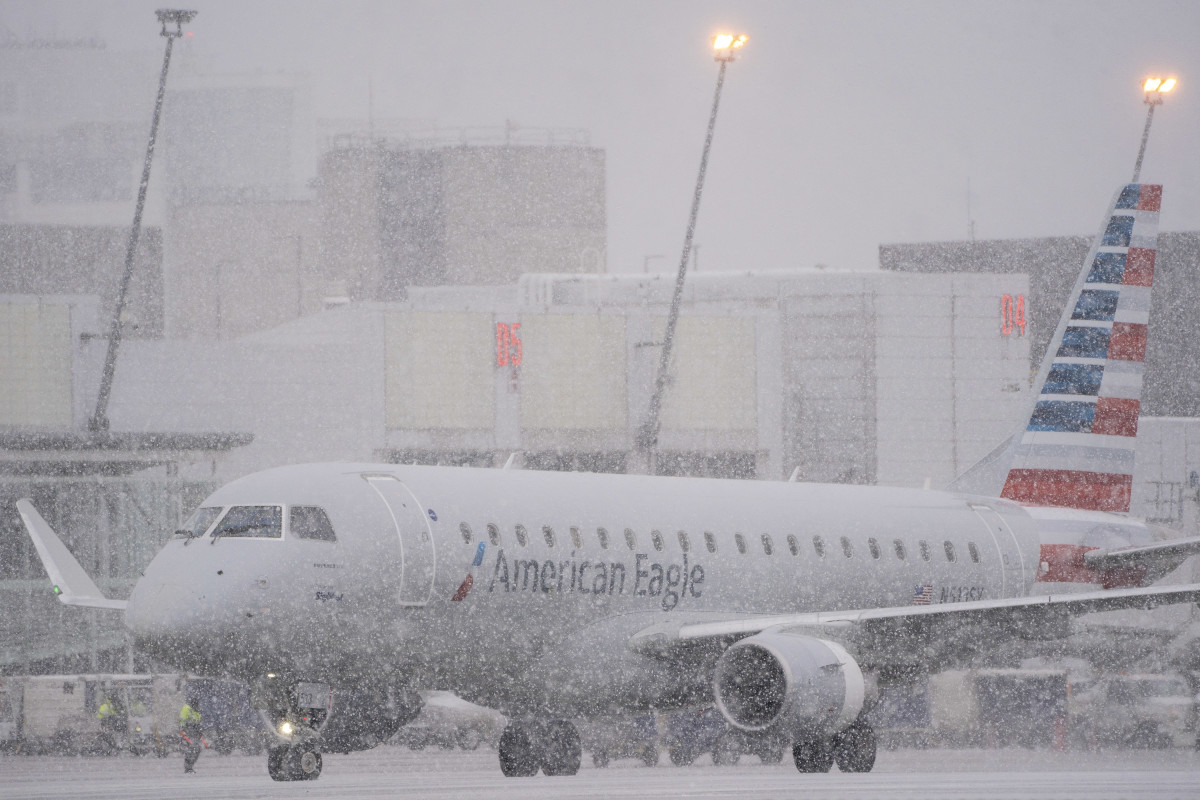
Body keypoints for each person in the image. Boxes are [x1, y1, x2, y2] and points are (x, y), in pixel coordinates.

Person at [179, 698, 203, 773]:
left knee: (197, 749)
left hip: (194, 734)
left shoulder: (196, 712)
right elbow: (182, 720)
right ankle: (188, 767)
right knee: (192, 749)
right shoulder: (187, 709)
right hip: (187, 733)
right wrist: (183, 731)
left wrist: (199, 732)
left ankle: (190, 766)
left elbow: (198, 723)